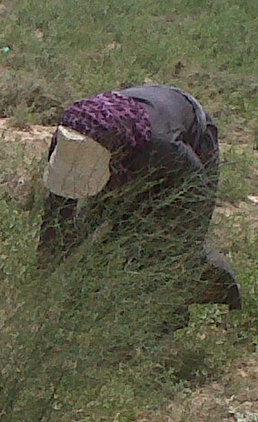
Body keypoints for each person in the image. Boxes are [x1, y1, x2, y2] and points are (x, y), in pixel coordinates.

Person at [37, 84, 241, 315]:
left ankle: (186, 302)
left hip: (189, 145)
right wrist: (42, 274)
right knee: (100, 235)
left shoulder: (163, 147)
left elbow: (194, 204)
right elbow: (57, 213)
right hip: (132, 149)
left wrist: (177, 256)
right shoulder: (69, 136)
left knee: (160, 248)